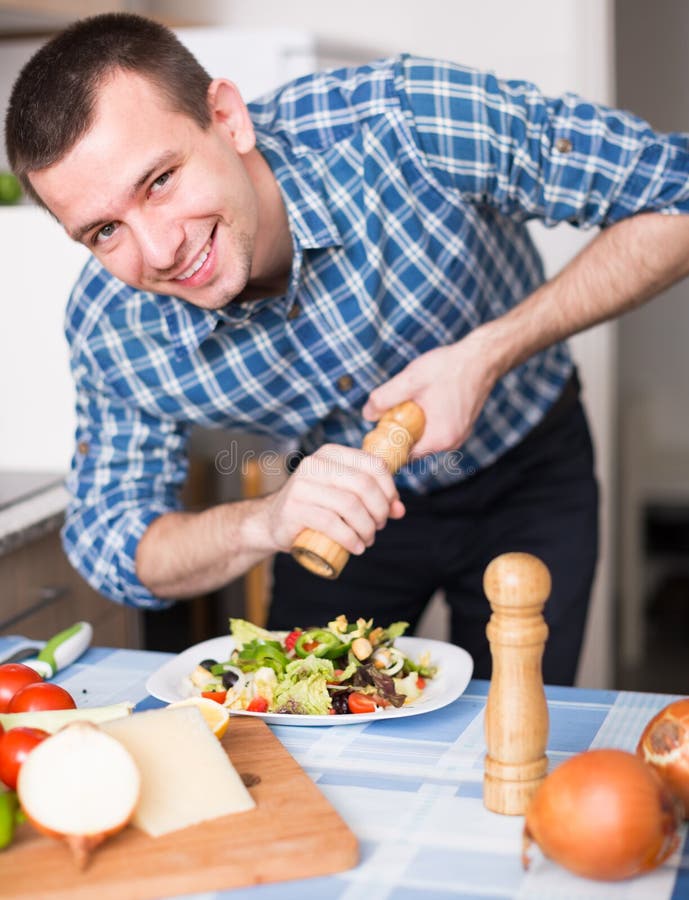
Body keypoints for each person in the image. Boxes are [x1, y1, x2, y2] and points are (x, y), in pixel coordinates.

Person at [6, 14, 689, 686]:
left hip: (528, 469)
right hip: (332, 512)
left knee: (515, 742)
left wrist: (487, 353)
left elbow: (676, 192)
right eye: (103, 231)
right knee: (304, 751)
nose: (159, 252)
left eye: (159, 181)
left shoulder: (407, 119)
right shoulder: (112, 330)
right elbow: (113, 541)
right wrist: (265, 521)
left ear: (228, 117)